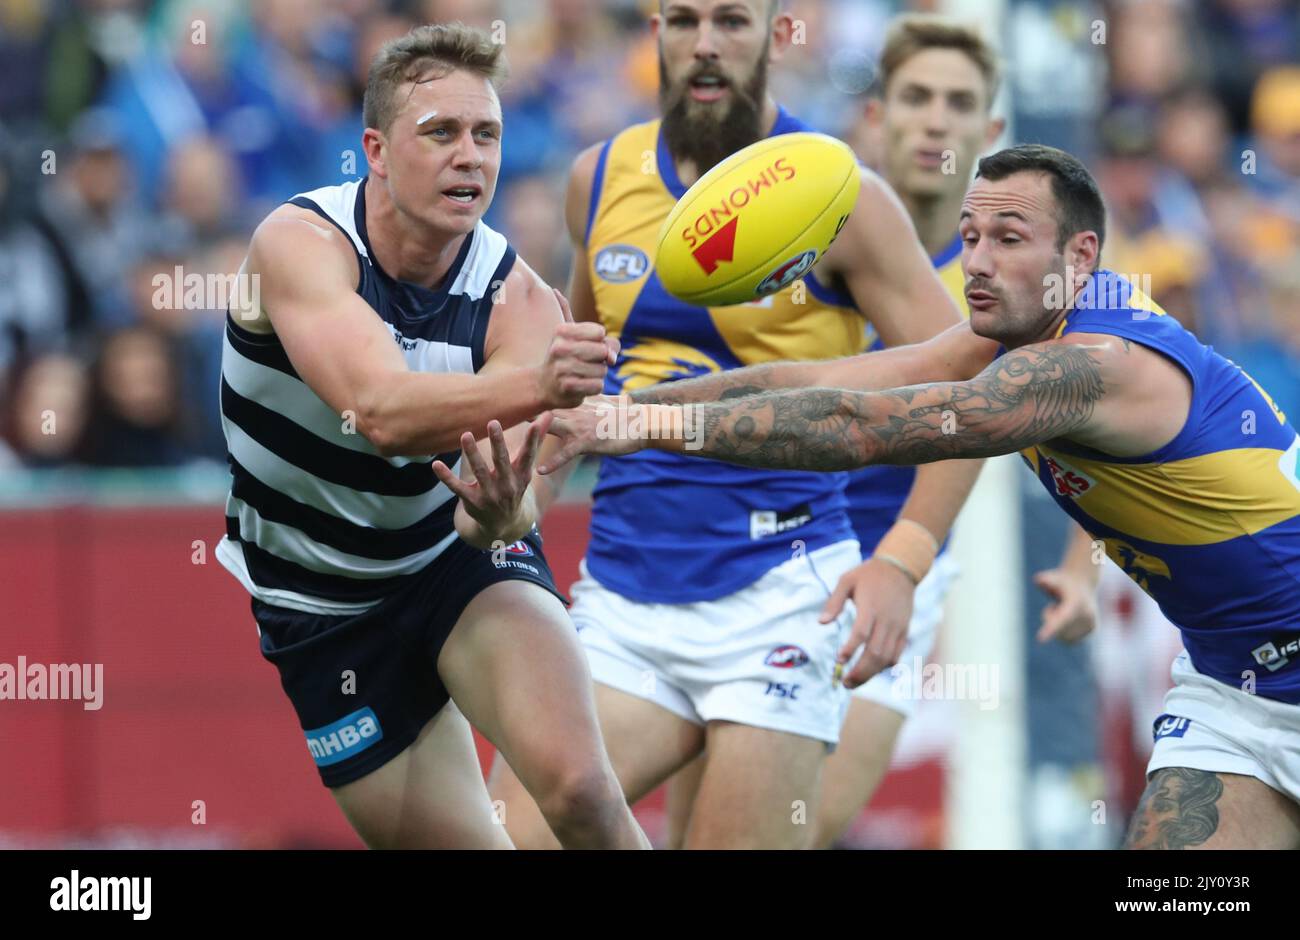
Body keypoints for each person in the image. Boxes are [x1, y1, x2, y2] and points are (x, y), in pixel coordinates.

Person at [543, 143, 1300, 849]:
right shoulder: (1015, 331)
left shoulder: (1087, 365)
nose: (977, 260)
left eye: (1009, 238)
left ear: (1080, 256)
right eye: (970, 237)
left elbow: (856, 427)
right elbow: (827, 382)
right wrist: (634, 410)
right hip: (1233, 685)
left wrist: (647, 423)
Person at [488, 0, 982, 850]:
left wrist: (902, 562)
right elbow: (577, 392)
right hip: (624, 590)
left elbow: (968, 393)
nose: (706, 44)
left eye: (732, 20)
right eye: (683, 20)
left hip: (781, 599)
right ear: (655, 34)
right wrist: (517, 501)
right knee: (494, 838)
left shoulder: (842, 197)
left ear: (780, 34)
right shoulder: (597, 179)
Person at [214, 23, 648, 850]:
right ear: (375, 150)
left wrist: (502, 515)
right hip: (318, 601)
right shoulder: (300, 243)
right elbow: (377, 412)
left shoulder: (517, 298)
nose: (471, 157)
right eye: (441, 132)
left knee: (584, 791)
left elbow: (502, 514)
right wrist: (540, 386)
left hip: (452, 561)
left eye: (486, 134)